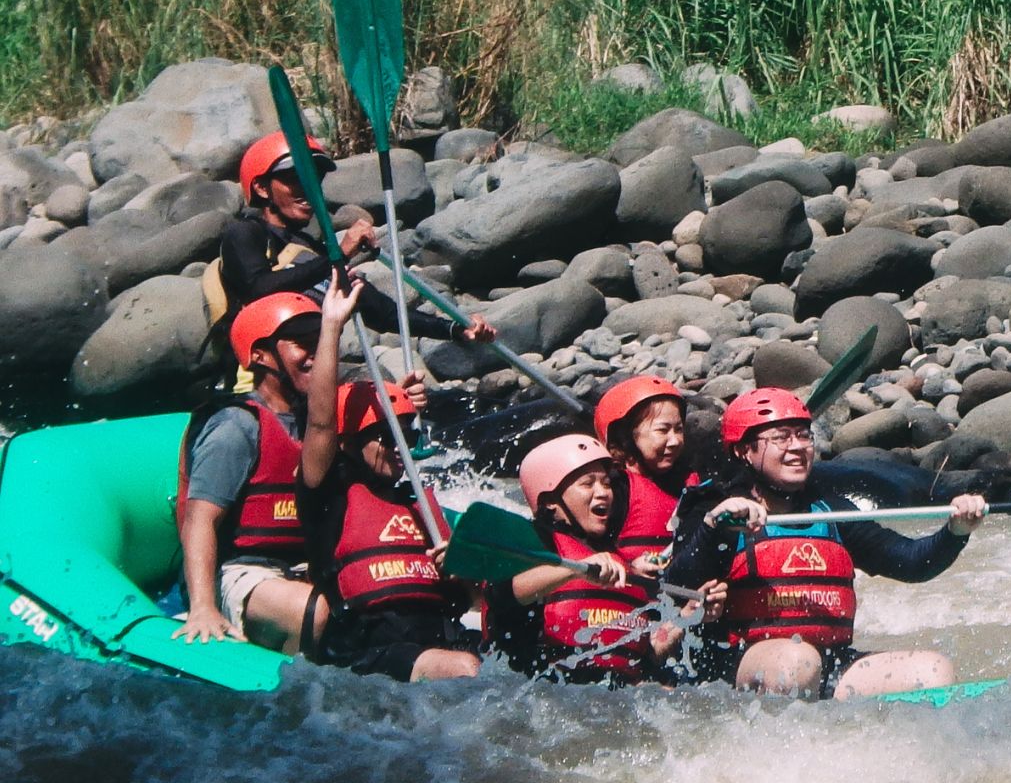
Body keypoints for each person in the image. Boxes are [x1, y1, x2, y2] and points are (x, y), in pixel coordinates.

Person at [665, 388, 985, 698]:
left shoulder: (830, 510)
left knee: (932, 672)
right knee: (798, 661)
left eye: (803, 435)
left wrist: (956, 531)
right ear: (743, 450)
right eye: (780, 438)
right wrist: (713, 528)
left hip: (826, 662)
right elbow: (675, 585)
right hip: (735, 664)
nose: (797, 447)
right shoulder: (711, 509)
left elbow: (911, 562)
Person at [298, 277, 482, 683]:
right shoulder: (328, 493)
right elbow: (322, 422)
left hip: (437, 640)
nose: (400, 445)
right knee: (465, 670)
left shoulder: (419, 504)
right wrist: (331, 326)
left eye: (407, 435)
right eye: (385, 436)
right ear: (349, 443)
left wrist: (461, 571)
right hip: (364, 648)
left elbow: (476, 599)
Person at [203, 130, 493, 357]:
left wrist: (454, 328)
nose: (308, 188)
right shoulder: (244, 234)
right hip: (254, 385)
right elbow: (258, 290)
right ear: (262, 188)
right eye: (295, 179)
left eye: (314, 179)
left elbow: (383, 314)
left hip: (310, 381)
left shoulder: (310, 252)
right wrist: (336, 257)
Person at [174, 294, 328, 651]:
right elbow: (200, 521)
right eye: (302, 344)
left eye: (320, 341)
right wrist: (202, 607)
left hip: (303, 567)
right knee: (316, 612)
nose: (317, 353)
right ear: (259, 355)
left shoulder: (318, 424)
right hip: (242, 572)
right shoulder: (235, 427)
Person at [505, 434, 724, 685]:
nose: (604, 493)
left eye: (607, 484)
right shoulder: (534, 545)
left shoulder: (620, 562)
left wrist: (686, 618)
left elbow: (644, 653)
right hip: (546, 696)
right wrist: (574, 571)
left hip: (614, 698)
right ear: (550, 502)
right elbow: (510, 593)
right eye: (588, 484)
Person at [592, 375, 701, 564]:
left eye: (679, 429)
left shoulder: (691, 481)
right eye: (662, 430)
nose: (675, 441)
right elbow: (587, 549)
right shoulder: (614, 490)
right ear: (626, 438)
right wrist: (629, 567)